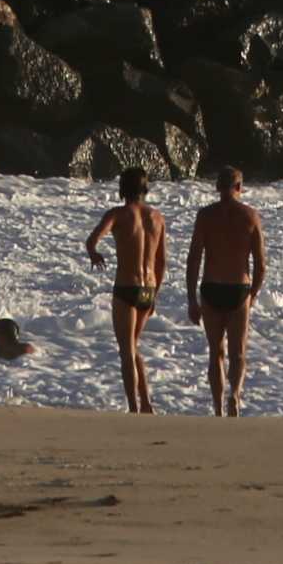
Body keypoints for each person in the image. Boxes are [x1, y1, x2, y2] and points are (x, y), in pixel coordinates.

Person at [184, 165, 269, 416]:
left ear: (217, 187)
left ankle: (218, 408)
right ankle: (234, 394)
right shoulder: (250, 216)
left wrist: (191, 298)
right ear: (239, 188)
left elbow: (193, 259)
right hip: (238, 289)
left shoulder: (205, 216)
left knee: (215, 353)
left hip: (211, 289)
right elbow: (261, 264)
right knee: (238, 352)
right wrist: (252, 295)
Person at [84, 167, 168, 413]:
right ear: (145, 188)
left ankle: (134, 407)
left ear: (122, 188)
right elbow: (162, 261)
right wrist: (155, 295)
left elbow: (92, 239)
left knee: (127, 350)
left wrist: (93, 253)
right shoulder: (157, 218)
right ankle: (147, 404)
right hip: (148, 289)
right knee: (134, 346)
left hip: (127, 287)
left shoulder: (118, 214)